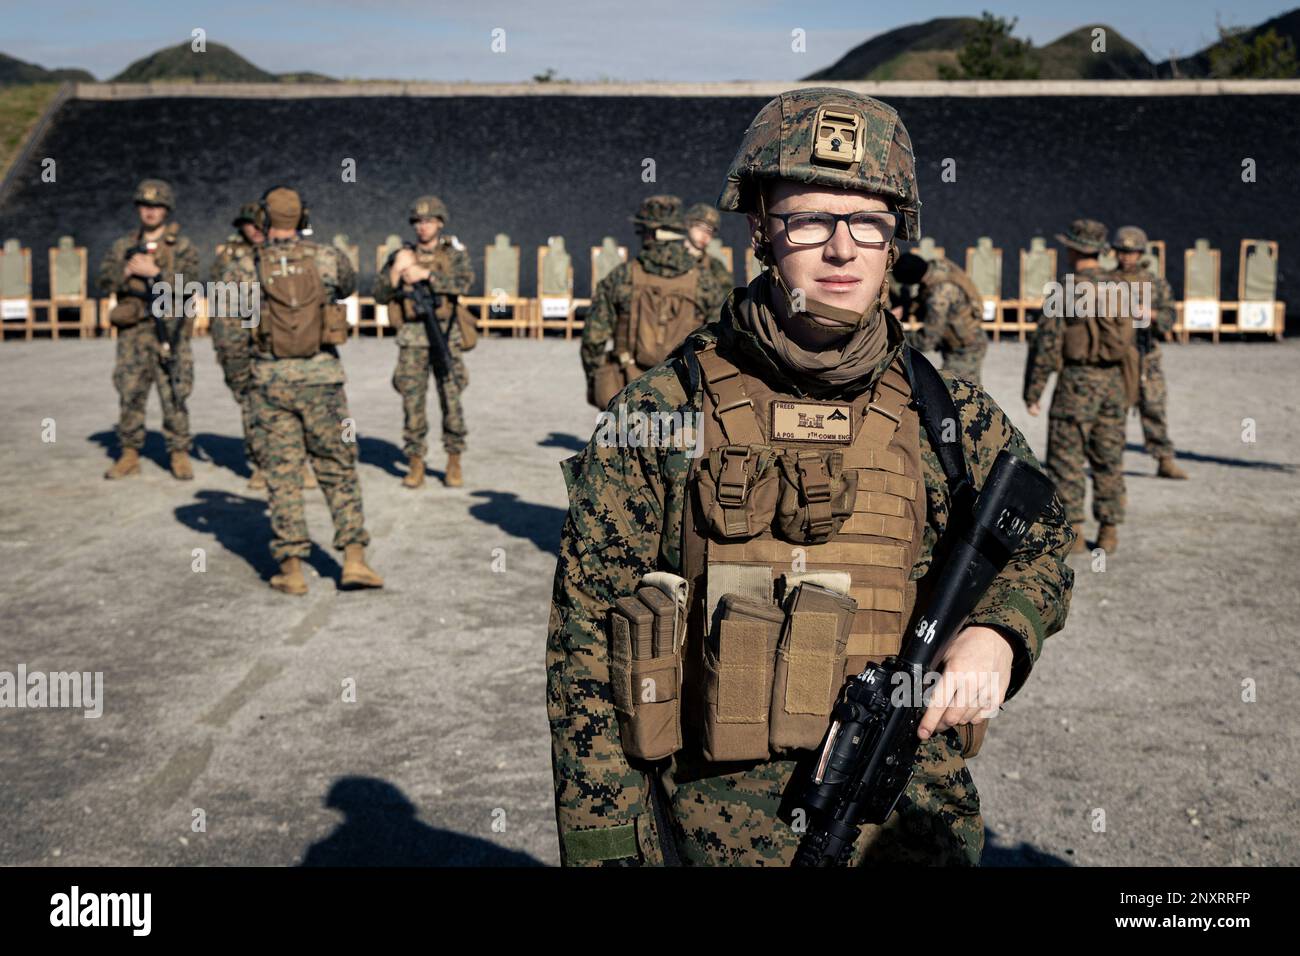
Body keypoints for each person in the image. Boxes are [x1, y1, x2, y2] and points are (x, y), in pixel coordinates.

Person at [547, 88, 1075, 867]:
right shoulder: (663, 413)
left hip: (906, 825)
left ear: (897, 239)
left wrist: (1001, 632)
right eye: (810, 218)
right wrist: (606, 851)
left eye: (868, 220)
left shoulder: (949, 417)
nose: (842, 249)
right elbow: (587, 643)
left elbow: (1043, 540)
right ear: (761, 226)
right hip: (711, 835)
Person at [219, 186, 383, 594]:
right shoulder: (327, 258)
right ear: (302, 217)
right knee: (338, 467)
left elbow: (229, 334)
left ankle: (292, 570)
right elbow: (346, 286)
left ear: (262, 218)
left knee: (283, 473)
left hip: (269, 382)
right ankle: (355, 560)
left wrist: (243, 383)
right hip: (322, 380)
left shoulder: (241, 265)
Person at [1025, 219, 1138, 553]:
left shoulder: (1066, 288)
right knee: (1109, 458)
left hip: (1075, 382)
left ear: (1074, 248)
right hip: (1114, 383)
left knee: (1066, 459)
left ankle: (1072, 530)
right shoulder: (1121, 285)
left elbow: (1047, 343)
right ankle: (1109, 531)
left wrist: (1035, 391)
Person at [580, 195, 730, 409]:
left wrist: (596, 381)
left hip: (625, 393)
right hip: (682, 394)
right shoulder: (706, 282)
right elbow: (721, 342)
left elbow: (593, 340)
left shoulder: (621, 277)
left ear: (648, 233)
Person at [97, 178, 200, 480]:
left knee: (174, 393)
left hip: (170, 330)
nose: (150, 211)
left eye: (156, 206)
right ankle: (129, 453)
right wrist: (125, 272)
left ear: (166, 209)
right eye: (145, 205)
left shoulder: (182, 247)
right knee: (130, 391)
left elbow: (191, 285)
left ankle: (179, 452)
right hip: (133, 332)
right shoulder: (123, 246)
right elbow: (103, 281)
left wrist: (156, 273)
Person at [372, 196, 475, 488]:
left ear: (440, 223)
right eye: (417, 222)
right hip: (413, 338)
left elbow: (465, 282)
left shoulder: (453, 254)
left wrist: (426, 274)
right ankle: (415, 461)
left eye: (428, 221)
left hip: (445, 335)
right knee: (412, 402)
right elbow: (380, 295)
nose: (422, 227)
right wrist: (396, 271)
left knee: (451, 399)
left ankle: (454, 459)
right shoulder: (401, 255)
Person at [1111, 225, 1187, 480]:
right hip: (1118, 357)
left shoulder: (1155, 283)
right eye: (1122, 251)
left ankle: (1164, 458)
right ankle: (1111, 463)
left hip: (1146, 355)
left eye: (1131, 252)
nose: (1126, 257)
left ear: (1141, 253)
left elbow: (1170, 318)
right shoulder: (1106, 282)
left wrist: (1151, 314)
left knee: (1154, 407)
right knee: (1113, 413)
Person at [893, 252, 988, 385]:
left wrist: (896, 337)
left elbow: (927, 341)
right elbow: (923, 295)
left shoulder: (939, 298)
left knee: (956, 394)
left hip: (964, 350)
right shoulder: (937, 267)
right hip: (967, 340)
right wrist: (908, 308)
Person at [683, 201, 735, 291]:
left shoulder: (715, 266)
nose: (704, 235)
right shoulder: (671, 257)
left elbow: (727, 294)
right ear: (688, 225)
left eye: (709, 231)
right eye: (701, 227)